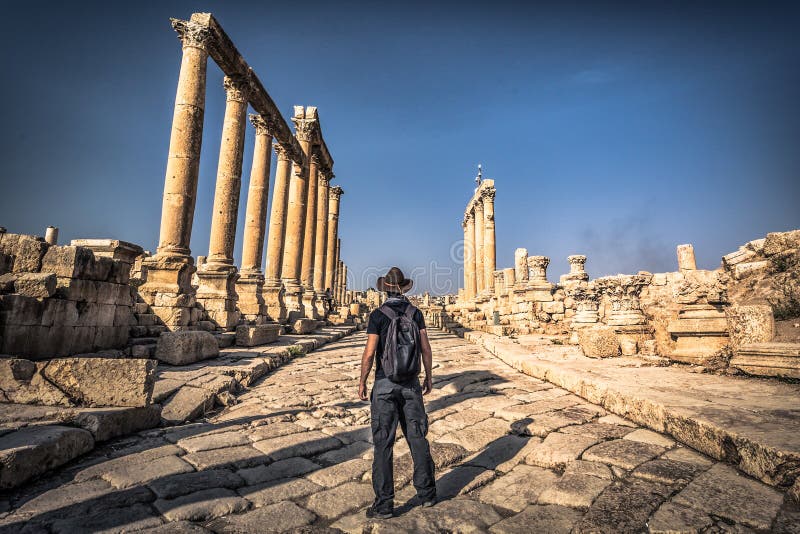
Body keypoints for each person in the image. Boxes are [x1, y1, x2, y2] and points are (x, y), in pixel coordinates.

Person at [359, 267, 436, 519]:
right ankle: (427, 495)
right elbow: (426, 348)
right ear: (403, 288)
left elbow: (370, 353)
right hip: (411, 383)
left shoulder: (377, 315)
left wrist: (362, 381)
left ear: (385, 289)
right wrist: (429, 376)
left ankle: (384, 505)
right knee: (417, 438)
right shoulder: (416, 313)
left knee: (383, 444)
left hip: (384, 383)